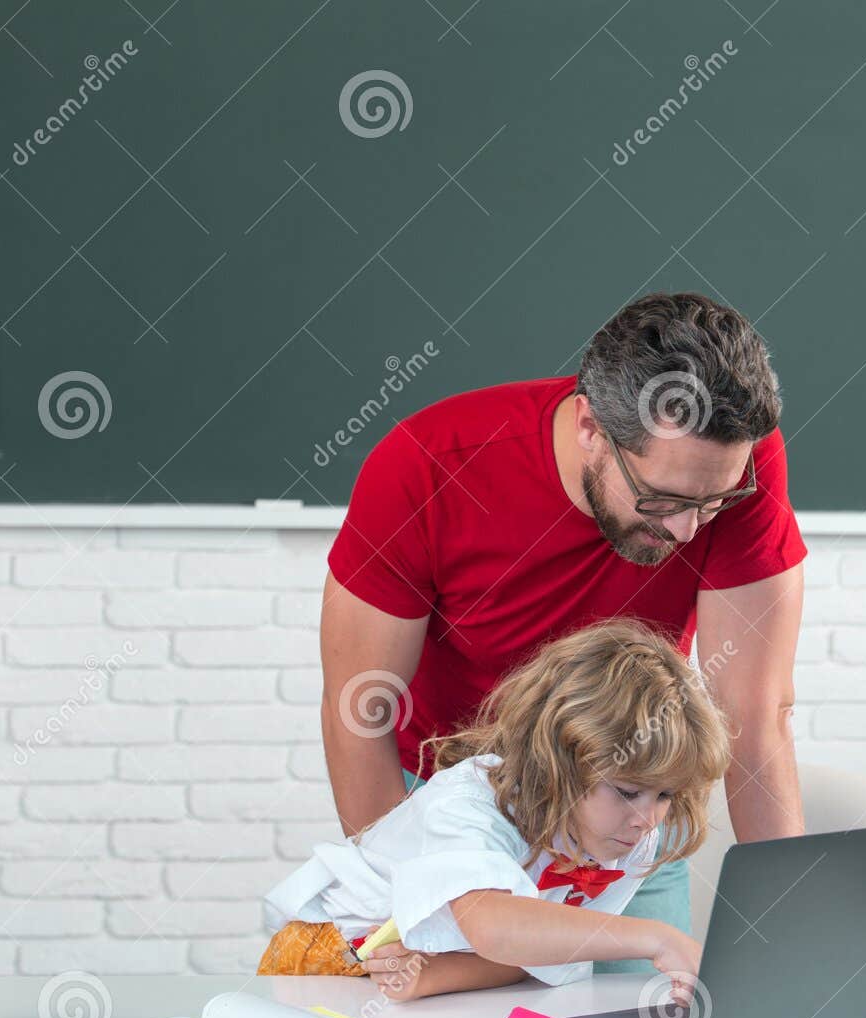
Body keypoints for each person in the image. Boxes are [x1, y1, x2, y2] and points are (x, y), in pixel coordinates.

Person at [321, 292, 808, 973]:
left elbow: (756, 714)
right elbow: (360, 710)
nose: (688, 531)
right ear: (589, 426)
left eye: (712, 504)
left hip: (626, 803)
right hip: (462, 812)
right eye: (661, 500)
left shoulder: (729, 462)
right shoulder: (428, 465)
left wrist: (792, 929)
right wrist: (403, 888)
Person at [261, 619, 731, 1003]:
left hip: (414, 979)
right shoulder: (468, 805)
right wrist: (656, 937)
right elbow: (494, 926)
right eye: (628, 791)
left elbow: (530, 955)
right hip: (325, 962)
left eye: (665, 795)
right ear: (556, 762)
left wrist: (430, 977)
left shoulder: (627, 835)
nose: (648, 820)